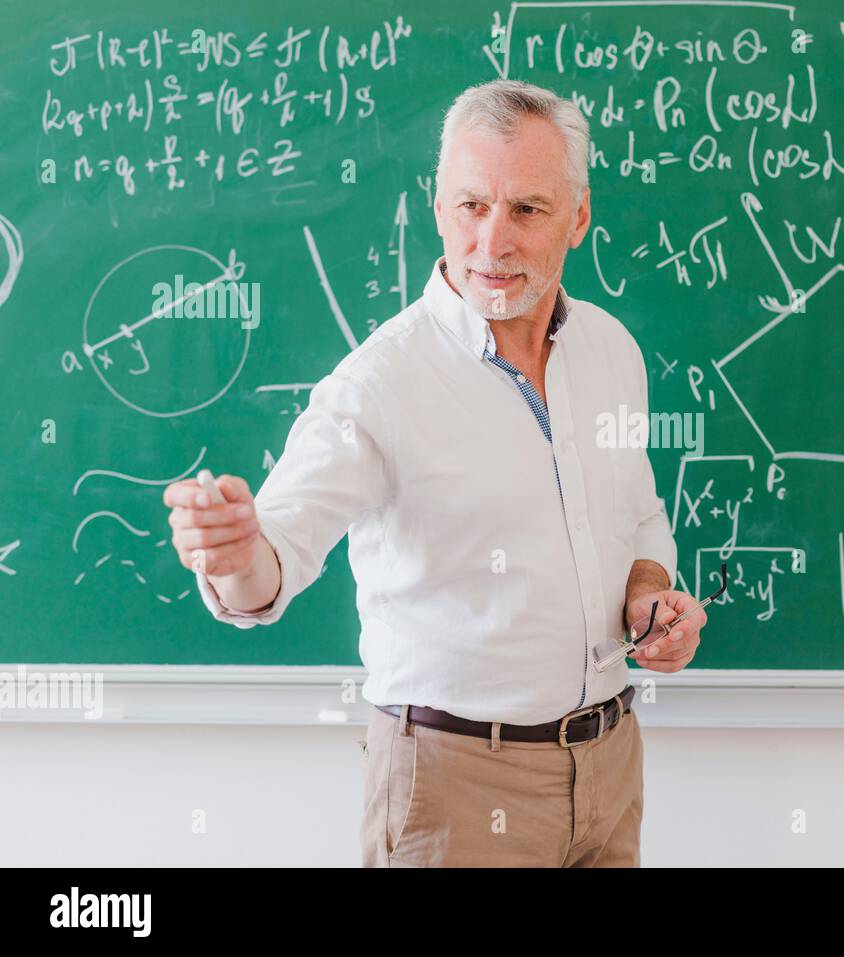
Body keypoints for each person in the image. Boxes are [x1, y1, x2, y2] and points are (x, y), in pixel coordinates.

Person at [161, 78, 707, 867]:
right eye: (470, 206)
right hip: (454, 787)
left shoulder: (612, 352)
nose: (492, 243)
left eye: (527, 209)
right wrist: (234, 554)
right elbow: (272, 563)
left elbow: (641, 514)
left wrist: (648, 594)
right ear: (438, 205)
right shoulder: (378, 384)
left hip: (611, 767)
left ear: (579, 216)